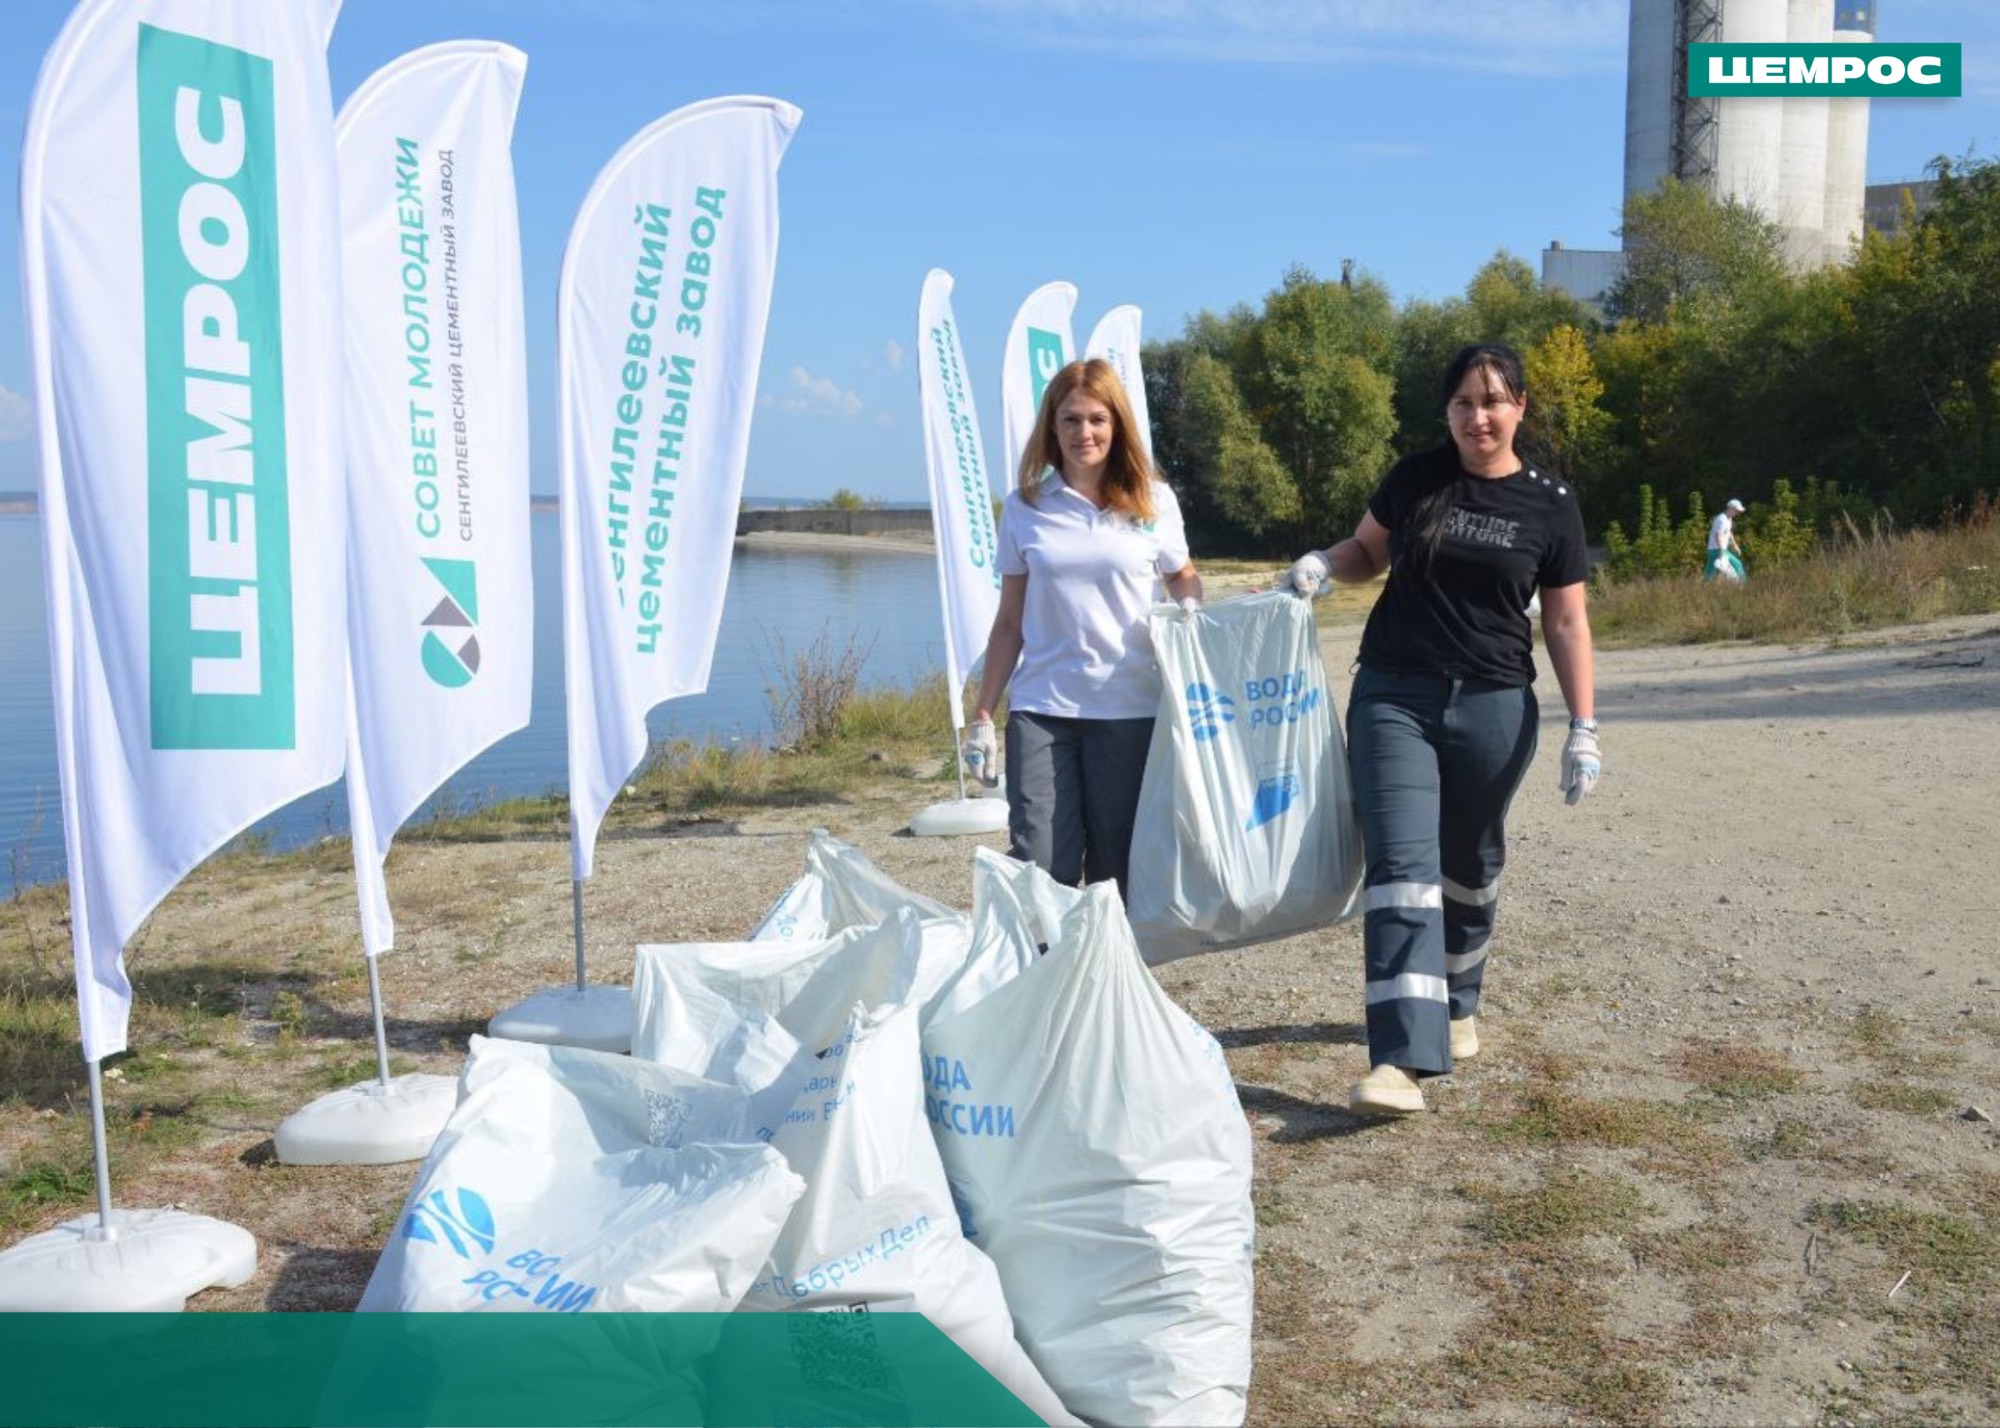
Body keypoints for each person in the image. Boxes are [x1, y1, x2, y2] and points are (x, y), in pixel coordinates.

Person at [1286, 343, 1600, 1117]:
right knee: (1400, 867)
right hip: (1395, 694)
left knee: (1471, 862)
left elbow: (1565, 620)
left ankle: (1459, 1001)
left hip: (1496, 705)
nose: (1478, 416)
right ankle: (1400, 1059)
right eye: (1463, 402)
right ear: (1447, 412)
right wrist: (1323, 565)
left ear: (1520, 407)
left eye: (1493, 400)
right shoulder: (1417, 478)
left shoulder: (1550, 502)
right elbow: (1367, 551)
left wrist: (1583, 725)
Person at [964, 358, 1203, 898]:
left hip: (1129, 707)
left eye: (1096, 418)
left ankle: (1106, 978)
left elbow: (1183, 576)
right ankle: (1046, 974)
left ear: (1116, 424)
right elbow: (1008, 623)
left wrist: (1188, 608)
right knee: (1040, 861)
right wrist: (982, 712)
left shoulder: (1152, 500)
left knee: (1117, 869)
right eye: (1070, 419)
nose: (1083, 432)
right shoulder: (1026, 507)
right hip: (1042, 709)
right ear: (1051, 426)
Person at [1706, 498, 1747, 582]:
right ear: (1730, 508)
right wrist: (1722, 552)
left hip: (1717, 549)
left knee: (1710, 572)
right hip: (1716, 549)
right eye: (1736, 510)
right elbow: (1718, 536)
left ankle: (1701, 589)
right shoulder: (1721, 519)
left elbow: (1729, 532)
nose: (1737, 513)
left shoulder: (1729, 519)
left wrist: (1735, 545)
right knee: (1737, 564)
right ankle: (1745, 586)